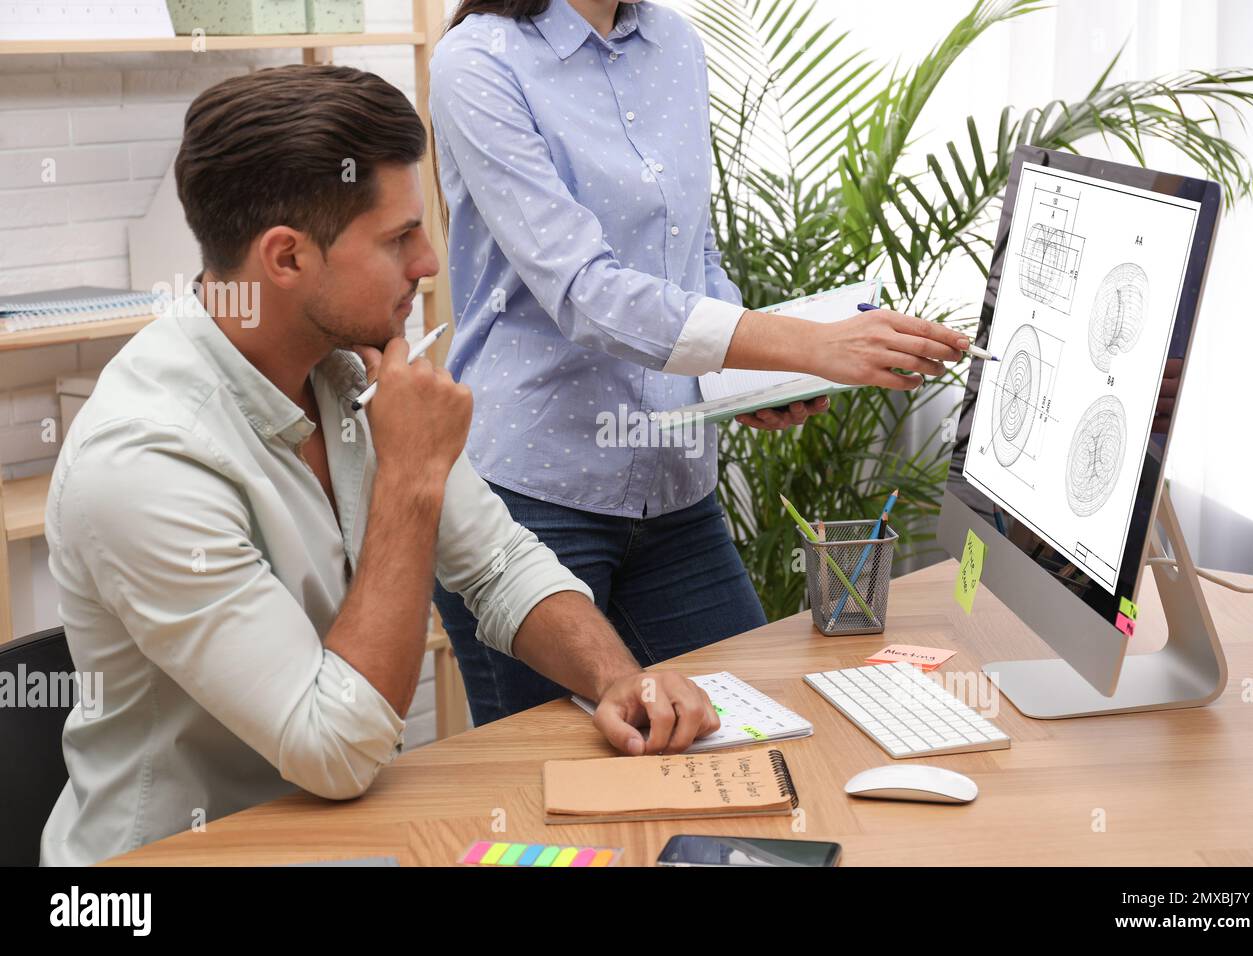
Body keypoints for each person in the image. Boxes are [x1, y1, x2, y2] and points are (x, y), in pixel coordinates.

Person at [39, 64, 720, 867]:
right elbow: (334, 748)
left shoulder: (346, 368)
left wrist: (615, 679)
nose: (430, 264)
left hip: (345, 839)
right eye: (399, 238)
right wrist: (410, 478)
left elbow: (499, 566)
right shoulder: (142, 462)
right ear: (286, 259)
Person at [428, 0, 971, 724]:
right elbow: (585, 293)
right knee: (552, 787)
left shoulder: (673, 43)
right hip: (531, 500)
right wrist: (808, 344)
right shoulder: (479, 61)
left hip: (675, 489)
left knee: (758, 730)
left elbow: (693, 253)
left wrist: (750, 380)